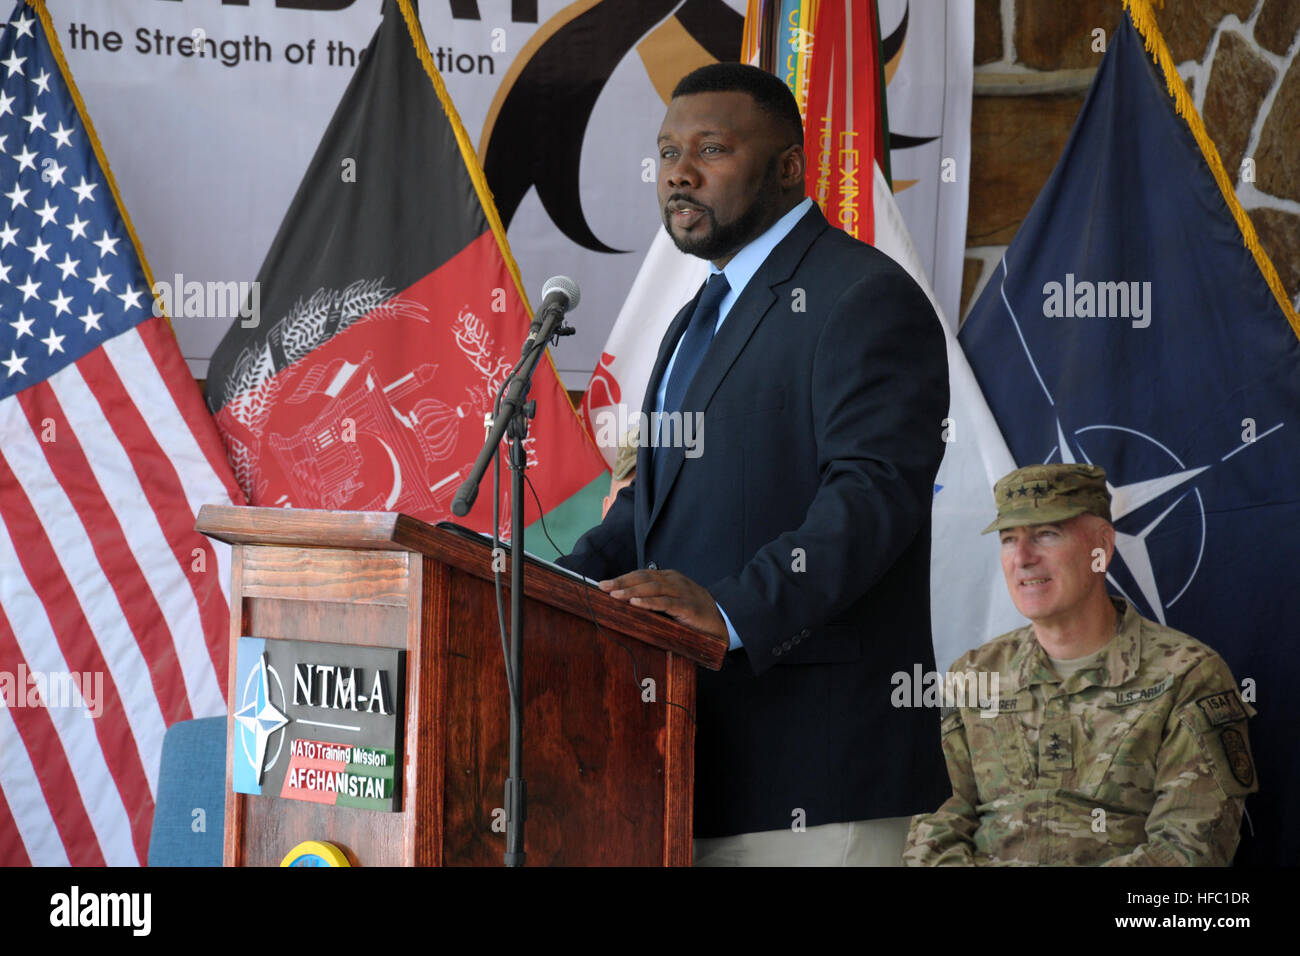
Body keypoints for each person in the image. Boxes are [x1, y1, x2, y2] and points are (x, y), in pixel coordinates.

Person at [557, 63, 950, 865]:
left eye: (711, 148)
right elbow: (651, 504)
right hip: (686, 763)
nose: (680, 173)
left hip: (813, 768)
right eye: (668, 151)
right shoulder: (695, 316)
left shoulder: (862, 298)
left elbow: (872, 496)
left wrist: (731, 612)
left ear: (788, 167)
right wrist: (552, 585)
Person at [903, 463, 1258, 866]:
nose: (1022, 558)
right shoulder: (972, 676)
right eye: (1008, 539)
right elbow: (932, 831)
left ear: (1100, 548)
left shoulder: (1188, 674)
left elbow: (1191, 849)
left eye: (1046, 535)